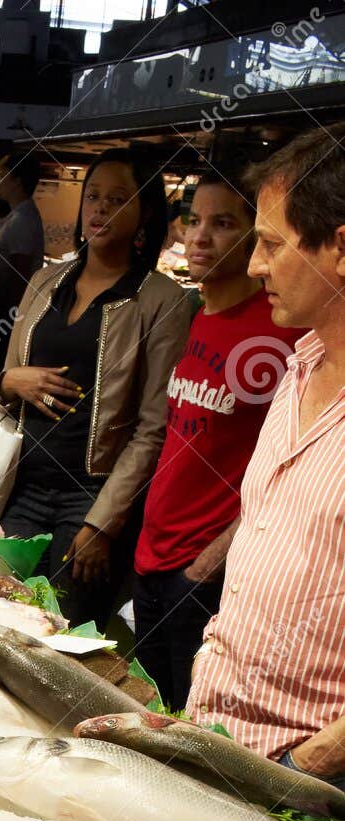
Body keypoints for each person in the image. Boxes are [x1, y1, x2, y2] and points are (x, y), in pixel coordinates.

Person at [186, 124, 345, 786]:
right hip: (213, 739)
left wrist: (303, 768)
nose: (253, 265)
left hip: (299, 787)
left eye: (272, 245)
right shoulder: (297, 363)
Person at [0, 147, 189, 630]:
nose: (101, 209)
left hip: (88, 496)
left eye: (118, 199)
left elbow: (152, 429)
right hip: (18, 484)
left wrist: (102, 522)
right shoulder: (44, 281)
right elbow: (5, 383)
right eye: (94, 197)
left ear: (144, 213)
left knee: (58, 634)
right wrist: (8, 381)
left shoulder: (162, 301)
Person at [132, 166, 299, 711]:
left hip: (205, 572)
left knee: (194, 728)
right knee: (149, 709)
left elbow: (290, 471)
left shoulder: (284, 329)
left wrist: (211, 562)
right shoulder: (192, 314)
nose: (199, 237)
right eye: (193, 220)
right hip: (152, 556)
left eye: (222, 223)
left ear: (255, 238)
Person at [0, 151, 45, 311]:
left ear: (17, 181)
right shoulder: (18, 215)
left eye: (3, 175)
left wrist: (10, 318)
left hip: (5, 311)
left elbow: (20, 275)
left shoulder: (22, 220)